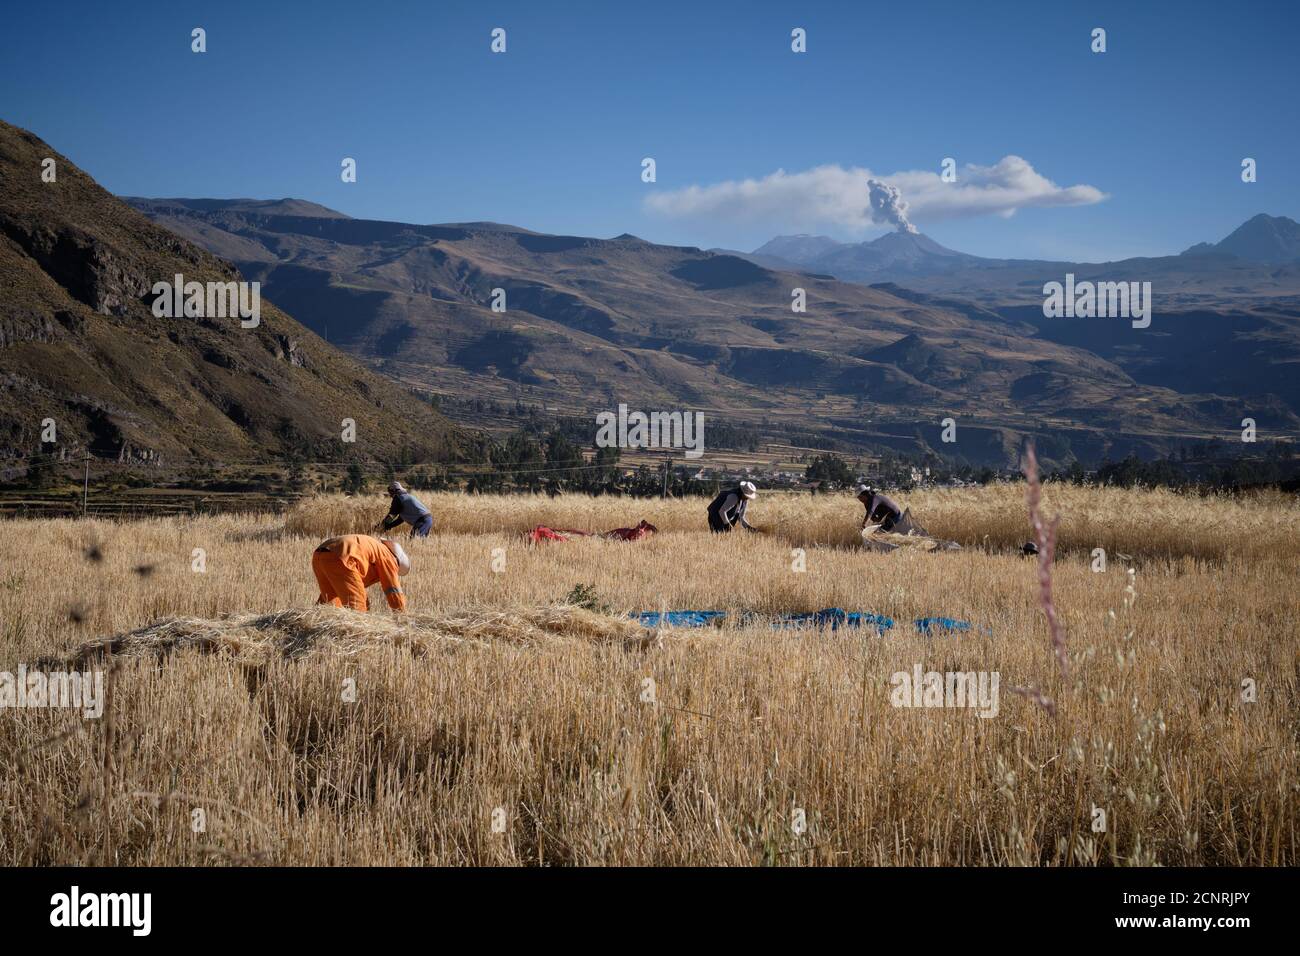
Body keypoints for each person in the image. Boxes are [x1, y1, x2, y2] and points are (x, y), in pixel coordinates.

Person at [312, 534, 409, 612]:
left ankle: (314, 625)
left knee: (329, 605)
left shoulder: (376, 549)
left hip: (319, 555)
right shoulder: (389, 558)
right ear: (397, 561)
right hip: (343, 556)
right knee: (359, 609)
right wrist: (401, 616)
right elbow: (393, 589)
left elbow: (351, 585)